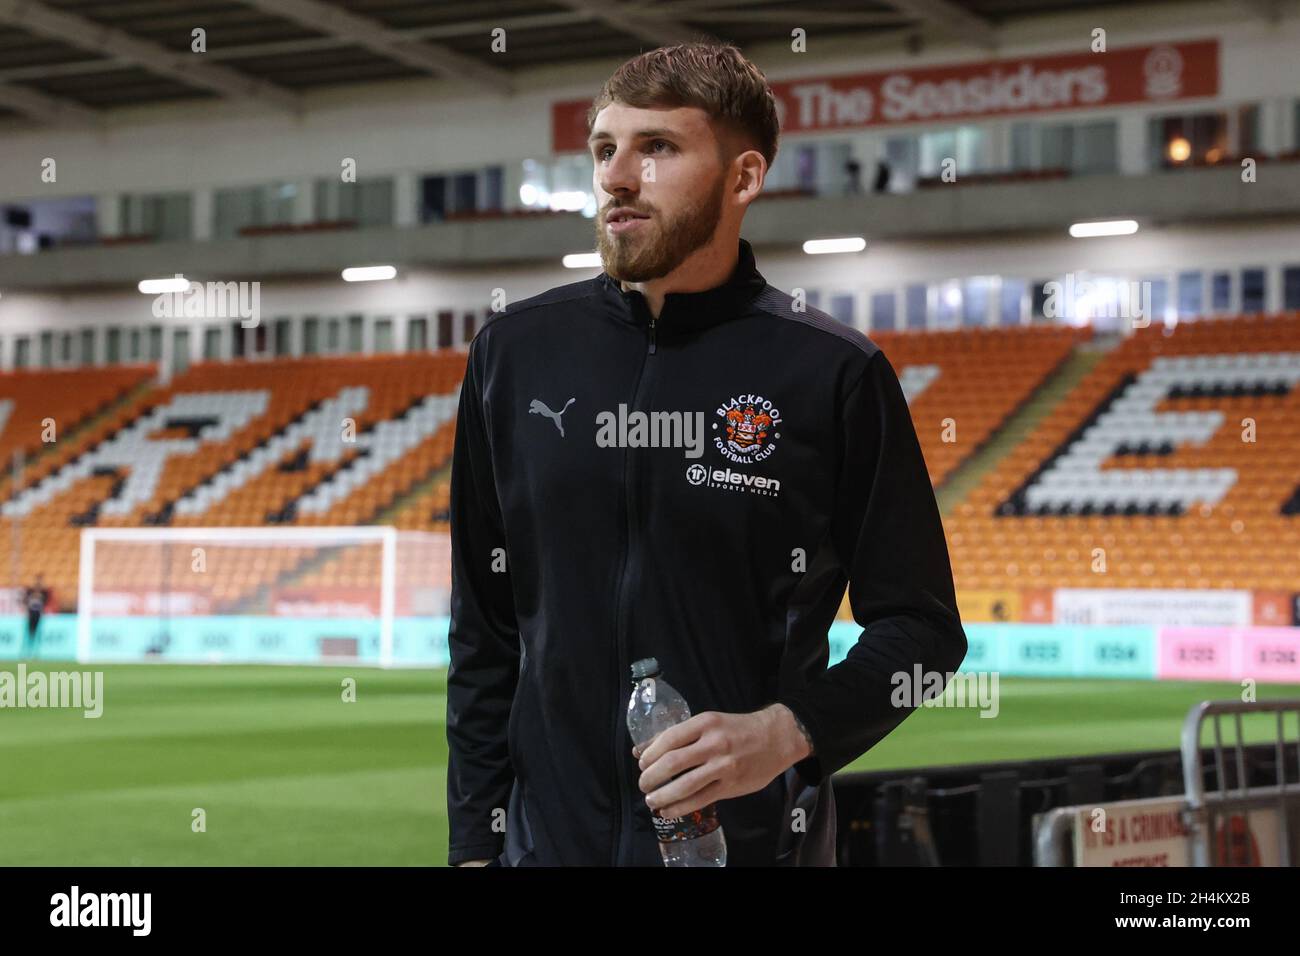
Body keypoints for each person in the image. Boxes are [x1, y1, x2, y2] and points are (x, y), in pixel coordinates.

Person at [446, 42, 966, 867]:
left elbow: (924, 631)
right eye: (604, 149)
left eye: (657, 148)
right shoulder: (513, 354)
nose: (617, 176)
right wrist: (476, 846)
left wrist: (790, 732)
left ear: (743, 178)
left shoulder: (831, 372)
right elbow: (485, 629)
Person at [20, 573, 50, 658]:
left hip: (38, 614)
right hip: (31, 614)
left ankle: (36, 652)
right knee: (28, 632)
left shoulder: (44, 592)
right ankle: (26, 651)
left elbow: (46, 602)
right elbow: (25, 601)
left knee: (37, 633)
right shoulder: (30, 591)